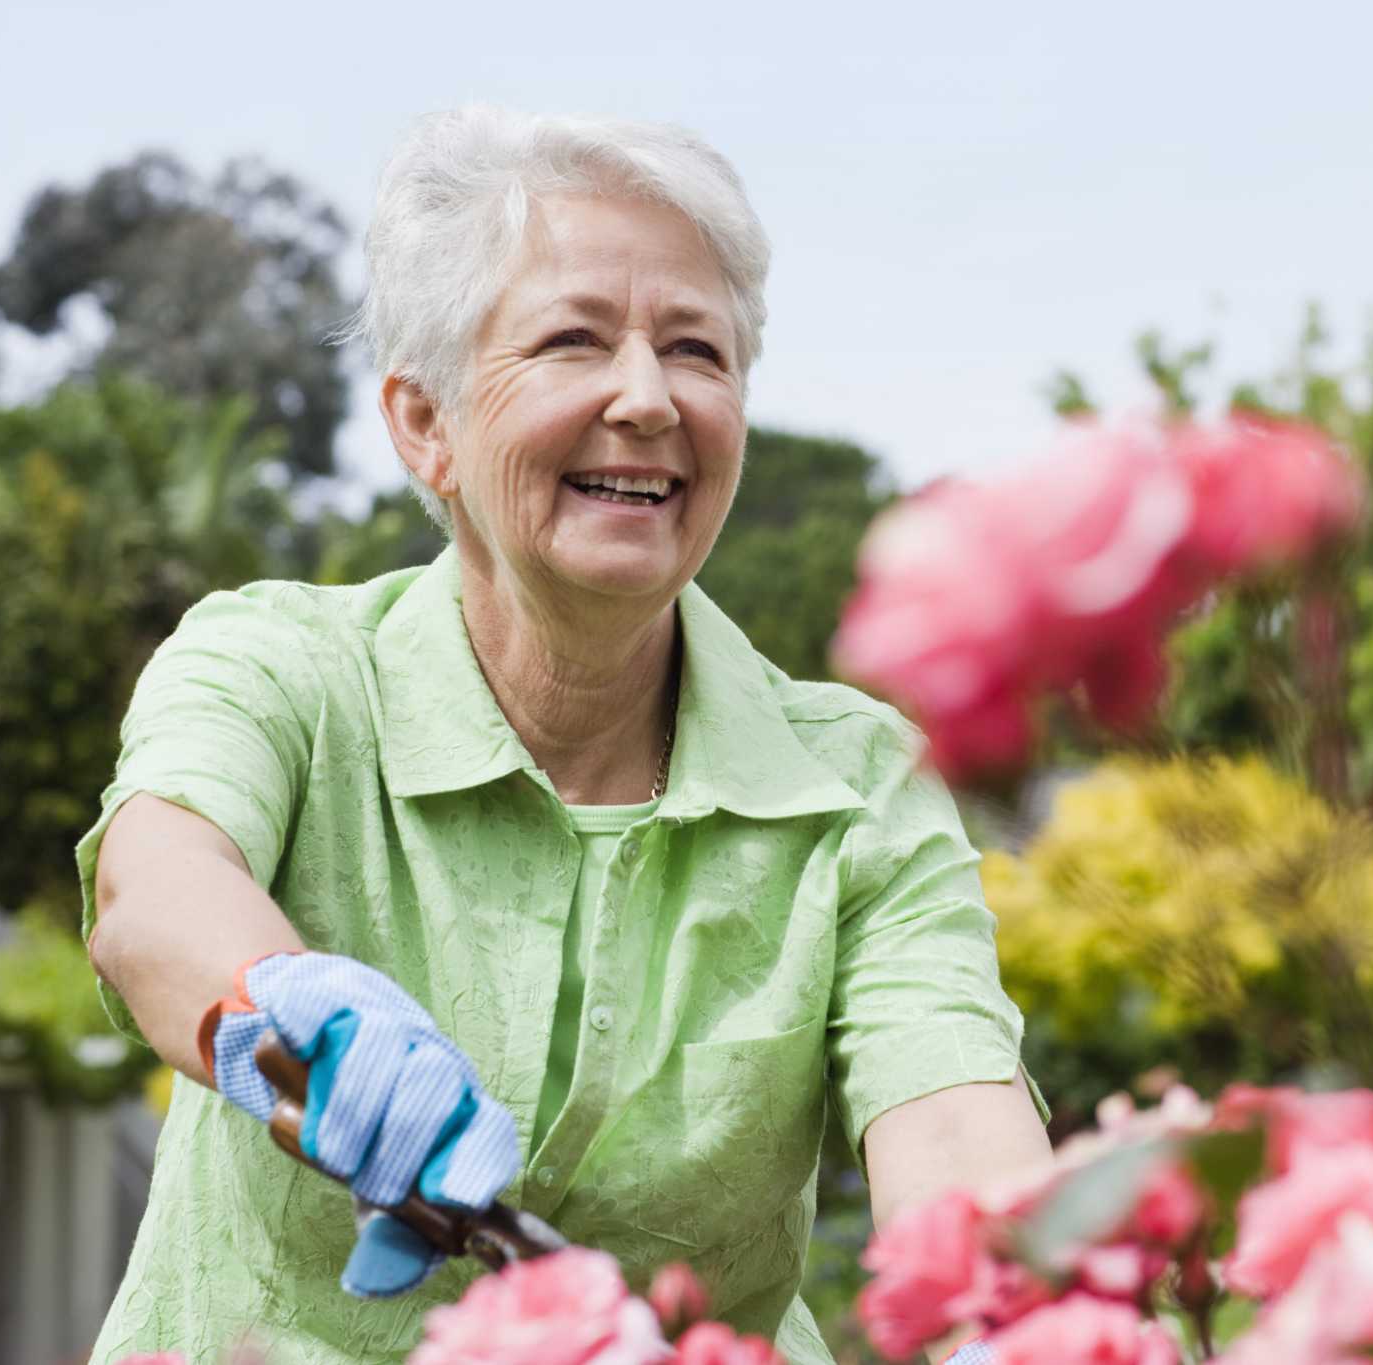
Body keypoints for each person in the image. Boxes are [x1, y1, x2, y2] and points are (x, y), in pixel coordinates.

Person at [81, 105, 1052, 1365]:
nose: (647, 400)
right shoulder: (282, 668)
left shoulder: (856, 782)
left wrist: (1031, 1320)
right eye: (572, 341)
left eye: (696, 350)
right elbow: (156, 889)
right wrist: (290, 1010)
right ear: (424, 424)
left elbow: (954, 1121)